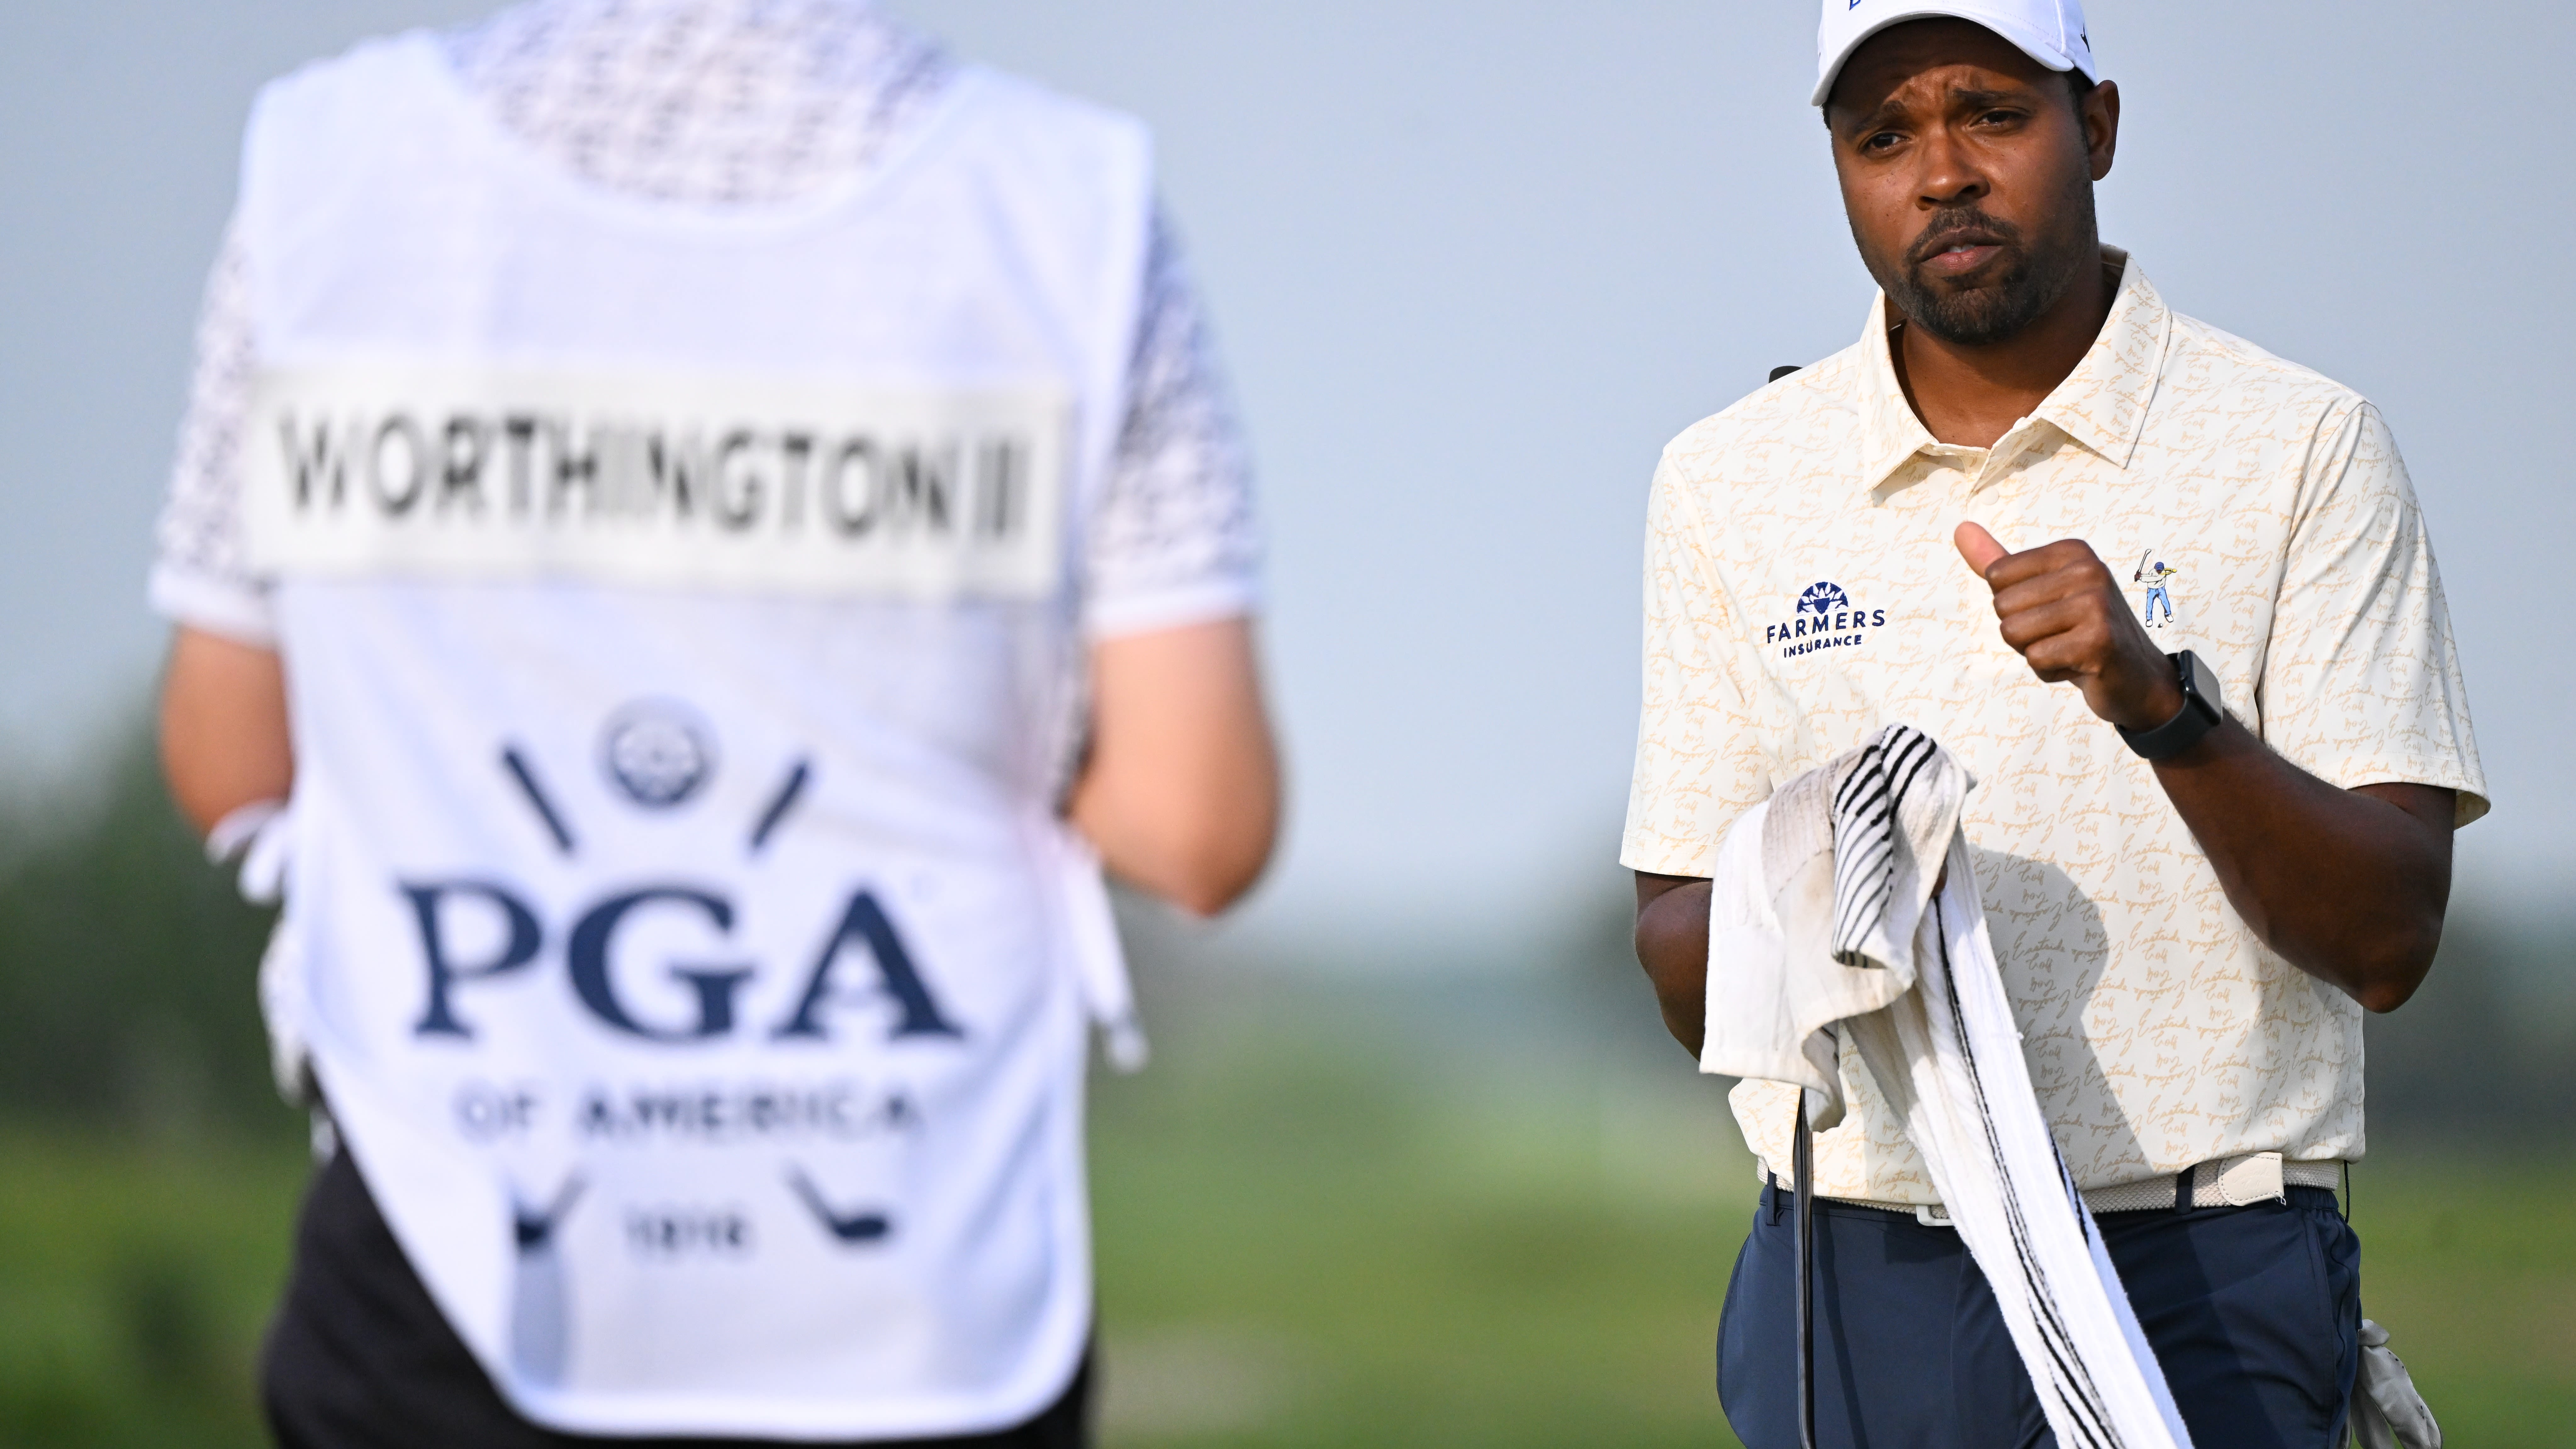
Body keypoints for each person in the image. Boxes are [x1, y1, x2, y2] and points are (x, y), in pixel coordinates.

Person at [150, 3, 1281, 1445]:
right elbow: (1198, 826)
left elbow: (230, 759)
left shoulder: (325, 173)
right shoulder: (1073, 213)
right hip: (915, 1298)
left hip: (449, 1273)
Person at [1621, 2, 2483, 1445]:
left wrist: (2166, 713)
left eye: (1990, 113)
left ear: (2095, 126)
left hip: (2197, 1260)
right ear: (1837, 169)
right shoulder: (1731, 479)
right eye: (1881, 134)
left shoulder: (2297, 443)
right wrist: (1816, 870)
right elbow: (1674, 960)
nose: (1939, 172)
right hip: (1856, 1266)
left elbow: (2388, 937)